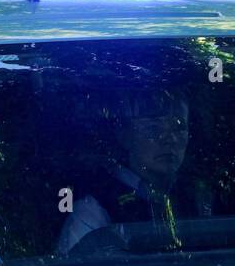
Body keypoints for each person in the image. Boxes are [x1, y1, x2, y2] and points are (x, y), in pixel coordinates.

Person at [58, 86, 207, 255]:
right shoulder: (95, 208)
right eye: (153, 128)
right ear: (124, 135)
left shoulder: (200, 197)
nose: (169, 139)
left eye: (179, 127)